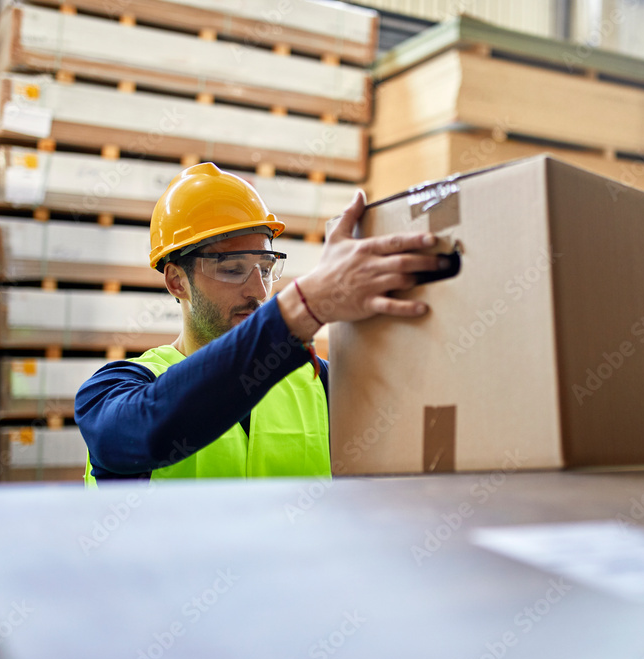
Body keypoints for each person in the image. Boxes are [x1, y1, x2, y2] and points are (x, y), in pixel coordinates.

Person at [74, 163, 444, 484]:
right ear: (176, 281)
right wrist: (305, 305)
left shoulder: (322, 384)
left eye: (265, 270)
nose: (258, 290)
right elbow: (153, 430)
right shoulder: (114, 392)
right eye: (233, 269)